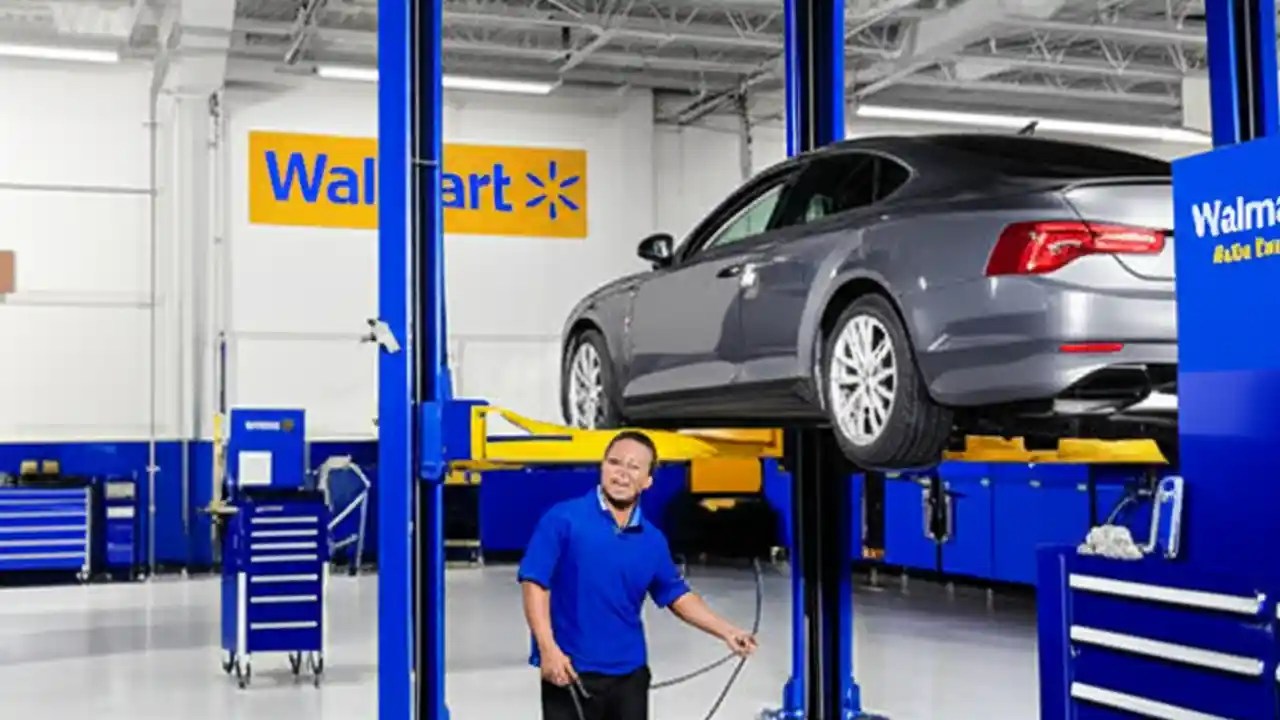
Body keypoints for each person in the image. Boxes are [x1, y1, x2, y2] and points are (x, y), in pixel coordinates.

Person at [517, 429, 759, 720]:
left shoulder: (652, 540)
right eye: (615, 463)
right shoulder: (562, 519)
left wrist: (728, 631)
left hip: (630, 675)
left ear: (647, 481)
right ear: (602, 466)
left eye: (634, 467)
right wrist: (548, 649)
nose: (622, 474)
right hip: (569, 671)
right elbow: (535, 583)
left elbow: (676, 594)